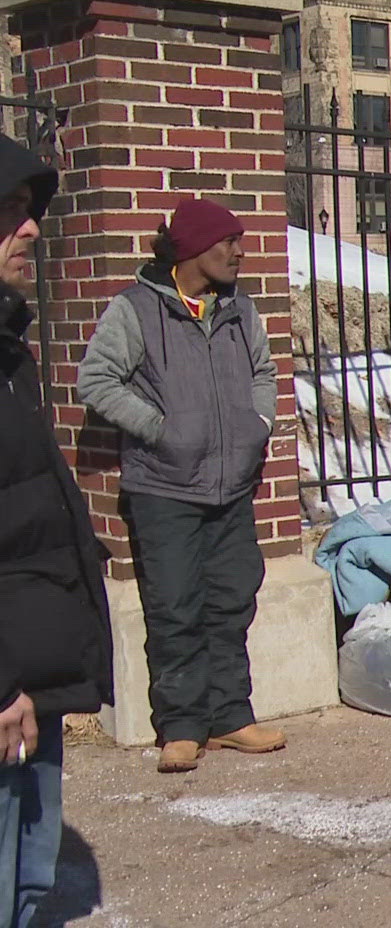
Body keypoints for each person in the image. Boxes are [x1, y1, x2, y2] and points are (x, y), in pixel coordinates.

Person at [77, 198, 283, 775]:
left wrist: (256, 425)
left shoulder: (241, 309)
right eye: (228, 243)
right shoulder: (137, 309)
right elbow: (96, 379)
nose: (240, 253)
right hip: (164, 488)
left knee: (231, 602)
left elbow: (264, 372)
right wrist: (159, 429)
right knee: (174, 607)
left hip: (231, 486)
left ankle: (230, 717)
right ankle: (182, 726)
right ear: (194, 248)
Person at [0, 135, 112, 927]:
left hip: (28, 676)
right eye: (9, 212)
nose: (32, 228)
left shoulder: (12, 351)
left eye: (30, 211)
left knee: (28, 883)